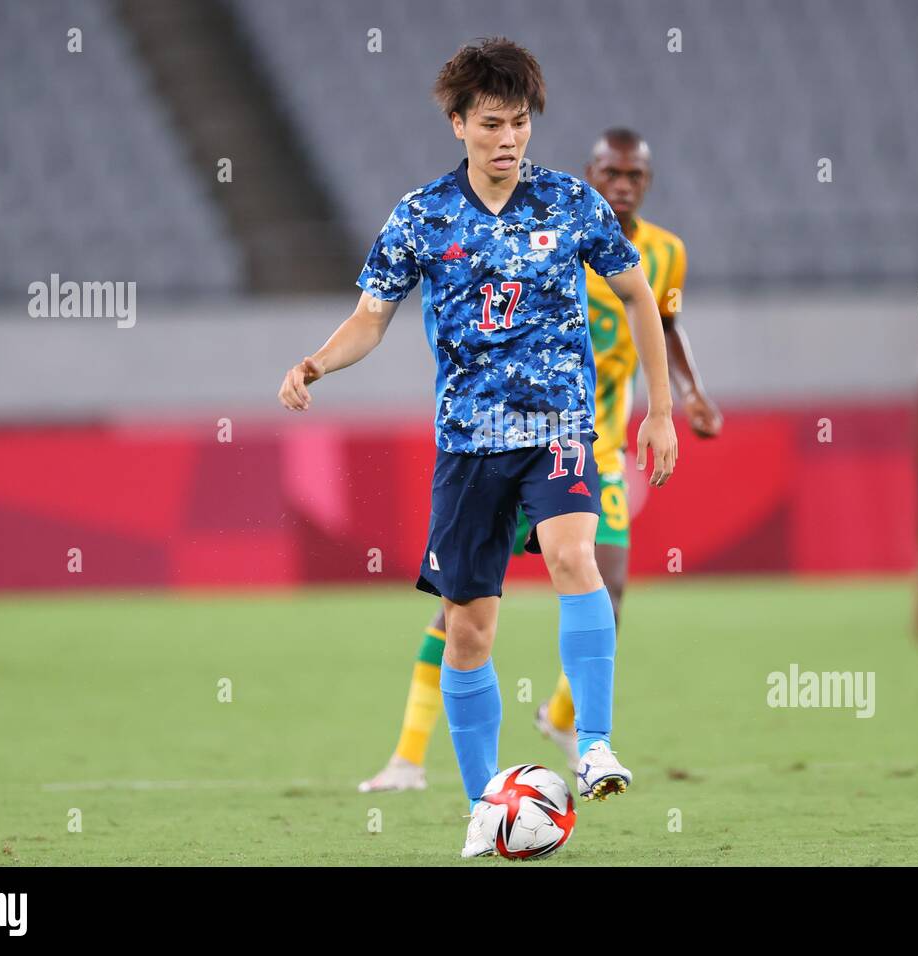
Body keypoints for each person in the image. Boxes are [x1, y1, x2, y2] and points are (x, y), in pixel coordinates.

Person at [278, 38, 678, 858]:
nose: (509, 138)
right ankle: (482, 805)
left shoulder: (570, 203)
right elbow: (371, 318)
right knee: (468, 633)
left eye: (521, 122)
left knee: (579, 559)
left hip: (561, 430)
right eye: (491, 122)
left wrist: (662, 412)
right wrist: (318, 360)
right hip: (468, 448)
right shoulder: (421, 216)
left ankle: (595, 742)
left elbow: (640, 294)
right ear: (458, 124)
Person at [358, 128, 722, 794]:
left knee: (601, 584)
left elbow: (663, 320)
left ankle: (577, 731)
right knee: (462, 612)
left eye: (635, 176)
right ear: (593, 172)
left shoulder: (664, 253)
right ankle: (408, 756)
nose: (622, 185)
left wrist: (685, 394)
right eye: (611, 173)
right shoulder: (554, 228)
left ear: (647, 181)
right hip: (497, 437)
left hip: (586, 440)